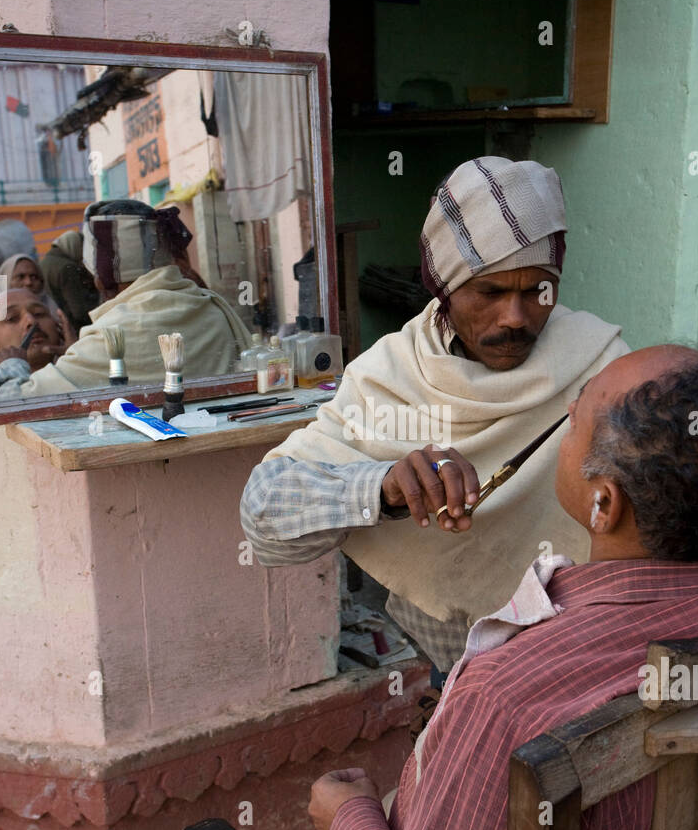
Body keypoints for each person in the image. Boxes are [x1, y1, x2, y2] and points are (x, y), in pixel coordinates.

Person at [309, 346, 698, 830]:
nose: (568, 414)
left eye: (579, 418)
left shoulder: (502, 701)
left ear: (603, 504)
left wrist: (349, 818)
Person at [240, 157, 632, 693]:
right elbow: (264, 518)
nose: (516, 316)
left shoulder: (599, 361)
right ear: (445, 291)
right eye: (489, 292)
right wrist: (383, 487)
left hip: (586, 653)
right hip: (463, 663)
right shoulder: (390, 377)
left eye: (537, 290)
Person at [0, 200, 252, 400]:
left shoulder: (109, 339)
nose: (30, 321)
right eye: (12, 317)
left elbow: (12, 403)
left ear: (99, 277)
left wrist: (9, 365)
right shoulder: (211, 306)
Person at [0, 287, 69, 393]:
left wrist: (76, 357)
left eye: (38, 313)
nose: (31, 321)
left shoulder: (84, 373)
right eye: (12, 318)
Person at [39, 231, 100, 338]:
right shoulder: (68, 267)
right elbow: (79, 310)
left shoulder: (43, 263)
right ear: (75, 245)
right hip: (71, 330)